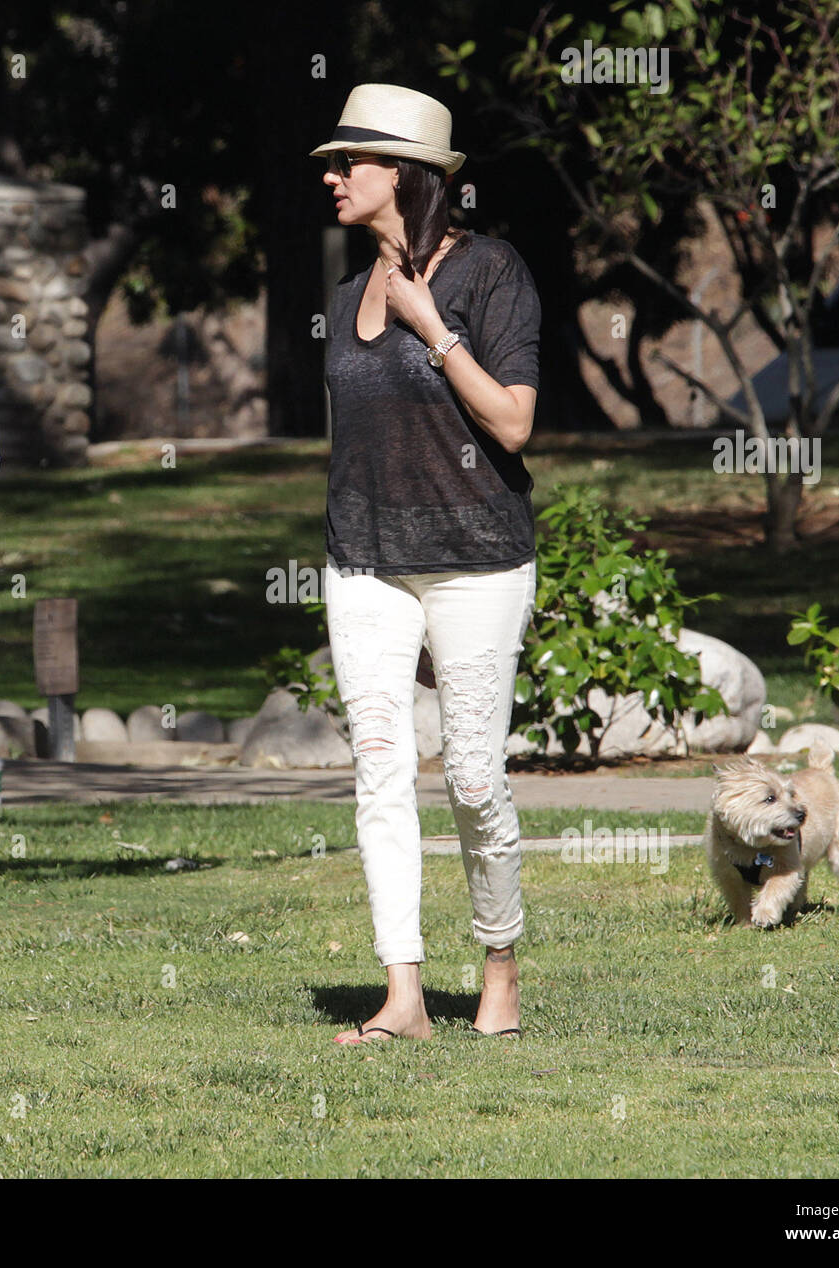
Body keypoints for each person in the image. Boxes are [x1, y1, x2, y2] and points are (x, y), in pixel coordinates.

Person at [312, 84, 541, 1044]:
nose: (331, 176)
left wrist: (428, 324)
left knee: (476, 779)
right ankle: (402, 995)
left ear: (401, 174)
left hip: (476, 558)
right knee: (378, 769)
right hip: (363, 560)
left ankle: (499, 961)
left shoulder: (490, 272)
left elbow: (515, 422)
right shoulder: (339, 295)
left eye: (348, 162)